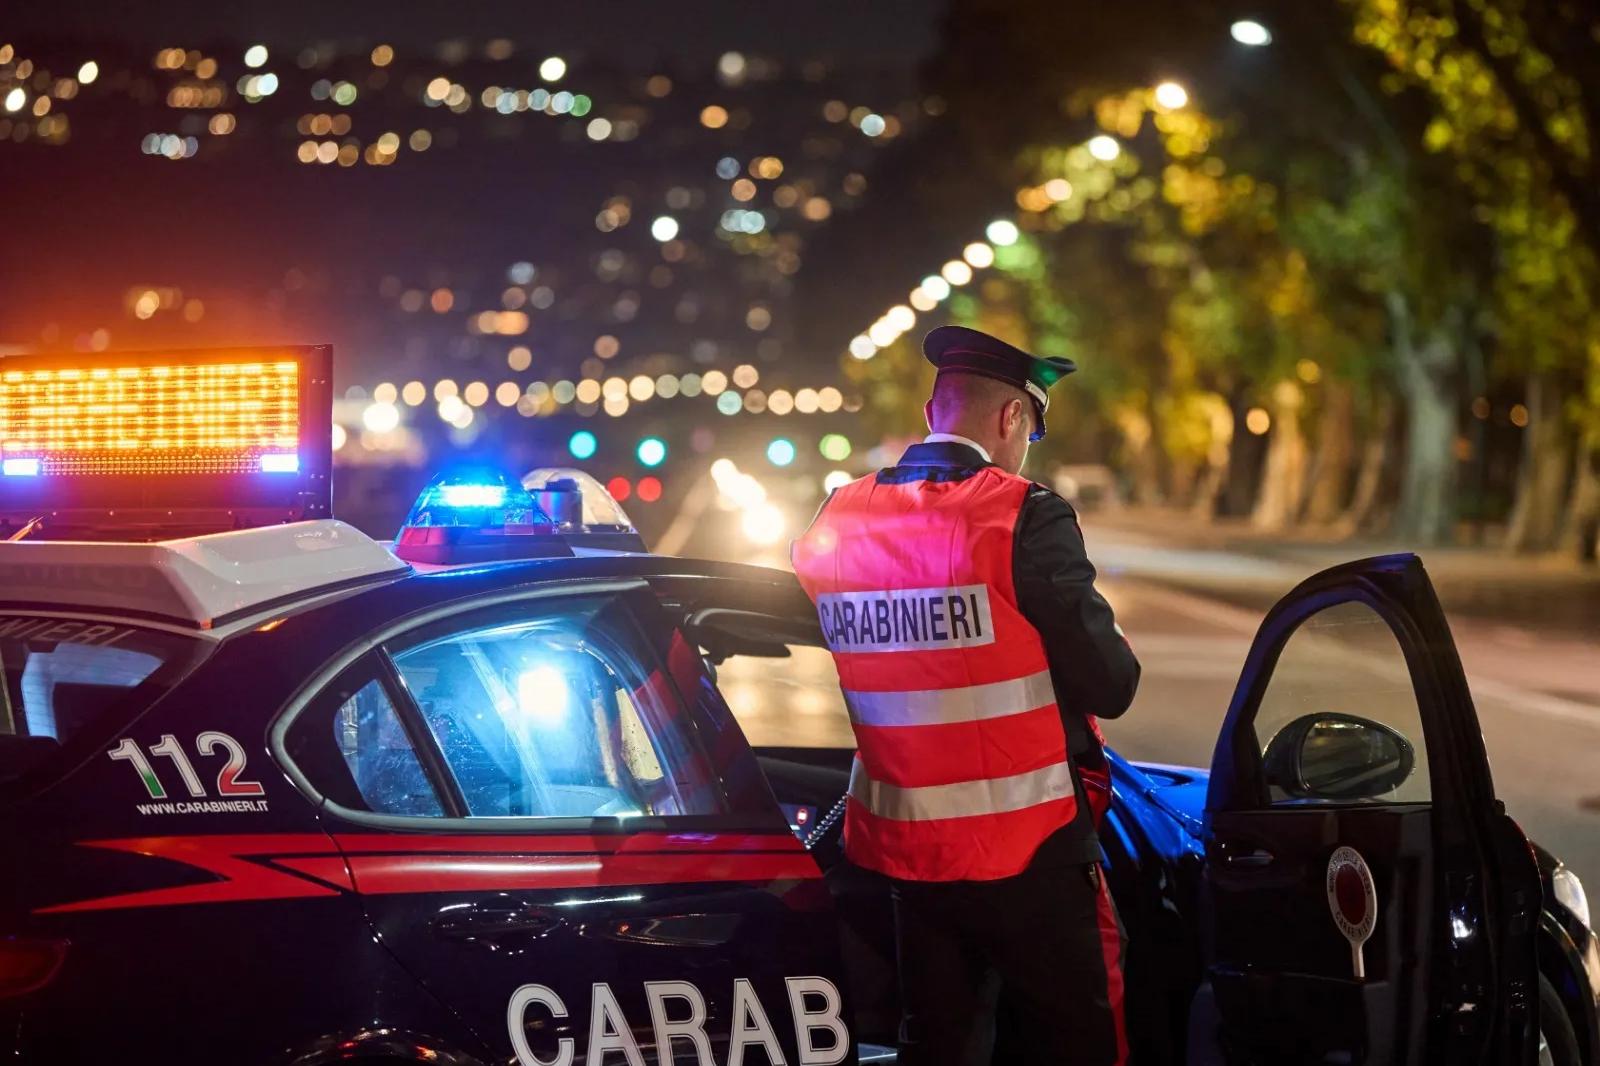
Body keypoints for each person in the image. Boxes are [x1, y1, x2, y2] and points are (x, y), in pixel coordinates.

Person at [791, 325, 1140, 1065]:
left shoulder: (836, 519)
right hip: (1032, 849)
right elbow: (1113, 685)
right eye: (1030, 432)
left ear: (930, 410)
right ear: (1013, 418)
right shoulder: (1021, 514)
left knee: (939, 1047)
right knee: (1083, 1041)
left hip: (908, 854)